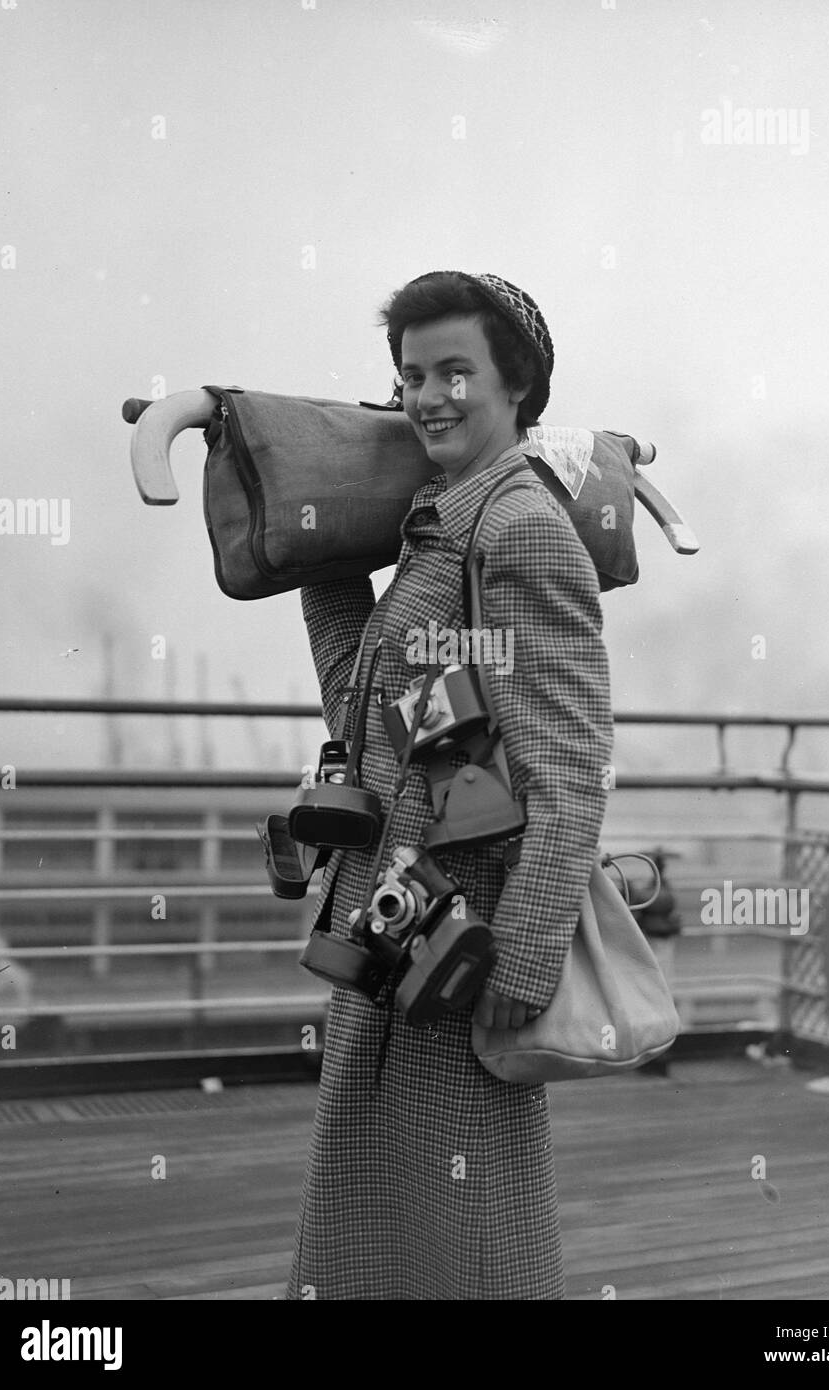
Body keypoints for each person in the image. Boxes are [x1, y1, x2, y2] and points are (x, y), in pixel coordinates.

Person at [285, 271, 614, 1300]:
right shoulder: (437, 536)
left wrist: (519, 964)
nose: (426, 395)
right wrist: (318, 543)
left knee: (469, 1234)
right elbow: (362, 708)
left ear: (516, 383)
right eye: (411, 374)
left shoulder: (519, 530)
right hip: (393, 930)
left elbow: (567, 769)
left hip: (462, 948)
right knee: (382, 1221)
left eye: (453, 370)